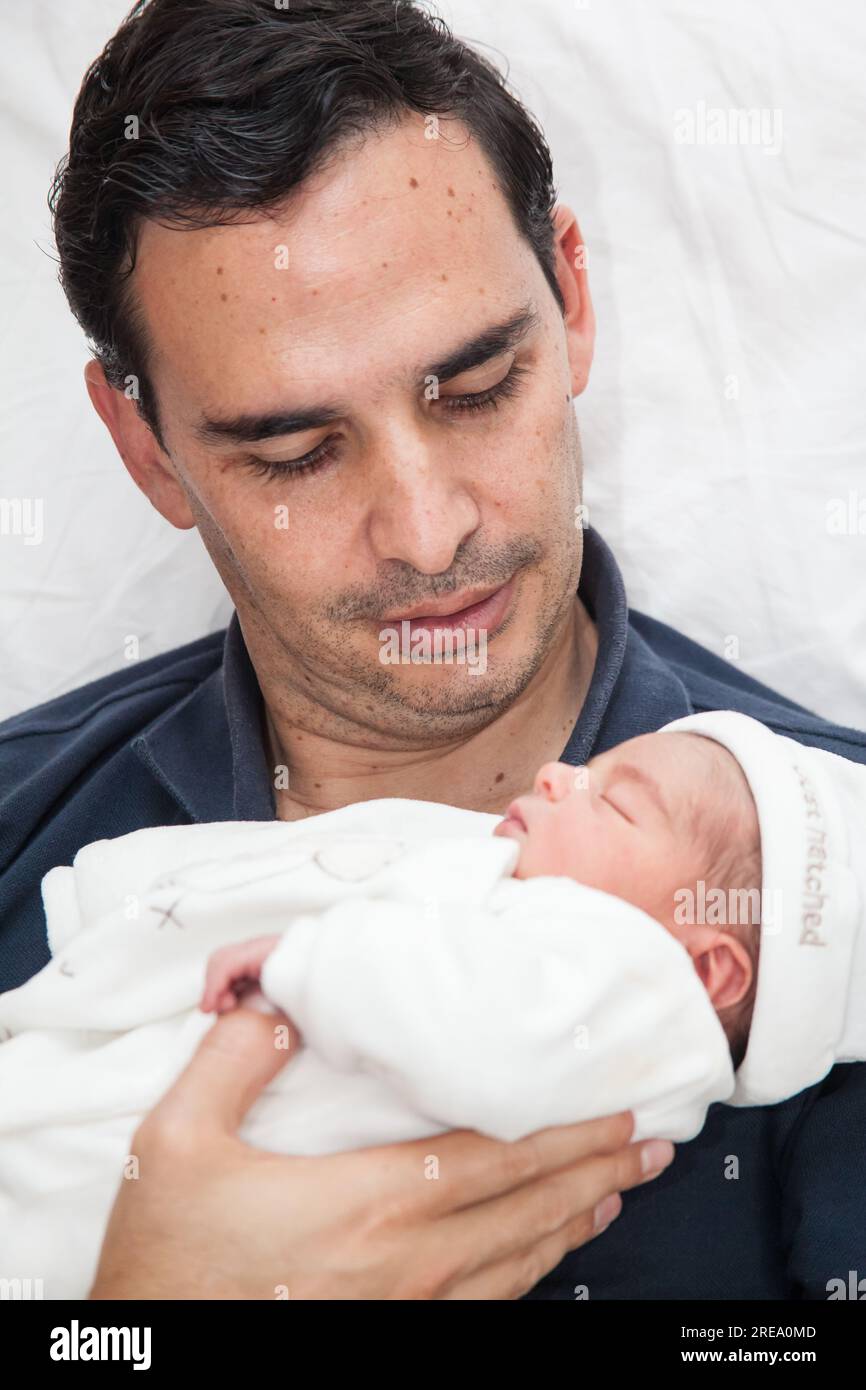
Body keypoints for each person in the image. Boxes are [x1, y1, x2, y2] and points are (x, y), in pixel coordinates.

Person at [1, 0, 865, 1299]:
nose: (426, 531)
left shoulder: (826, 904)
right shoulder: (23, 832)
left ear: (569, 298)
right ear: (146, 451)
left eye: (474, 389)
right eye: (293, 450)